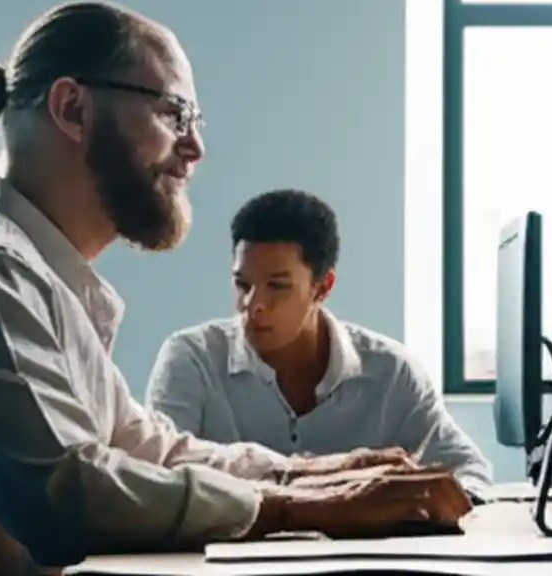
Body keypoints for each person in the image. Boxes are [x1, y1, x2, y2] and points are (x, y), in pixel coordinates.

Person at [0, 1, 468, 571]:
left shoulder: (50, 279)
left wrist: (310, 473)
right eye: (175, 114)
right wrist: (298, 506)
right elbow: (67, 489)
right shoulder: (4, 273)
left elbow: (144, 447)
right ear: (73, 108)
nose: (195, 148)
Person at [147, 189, 492, 494]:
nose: (253, 305)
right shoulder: (191, 359)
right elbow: (159, 479)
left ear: (323, 287)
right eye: (242, 284)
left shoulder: (392, 373)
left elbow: (470, 473)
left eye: (277, 286)